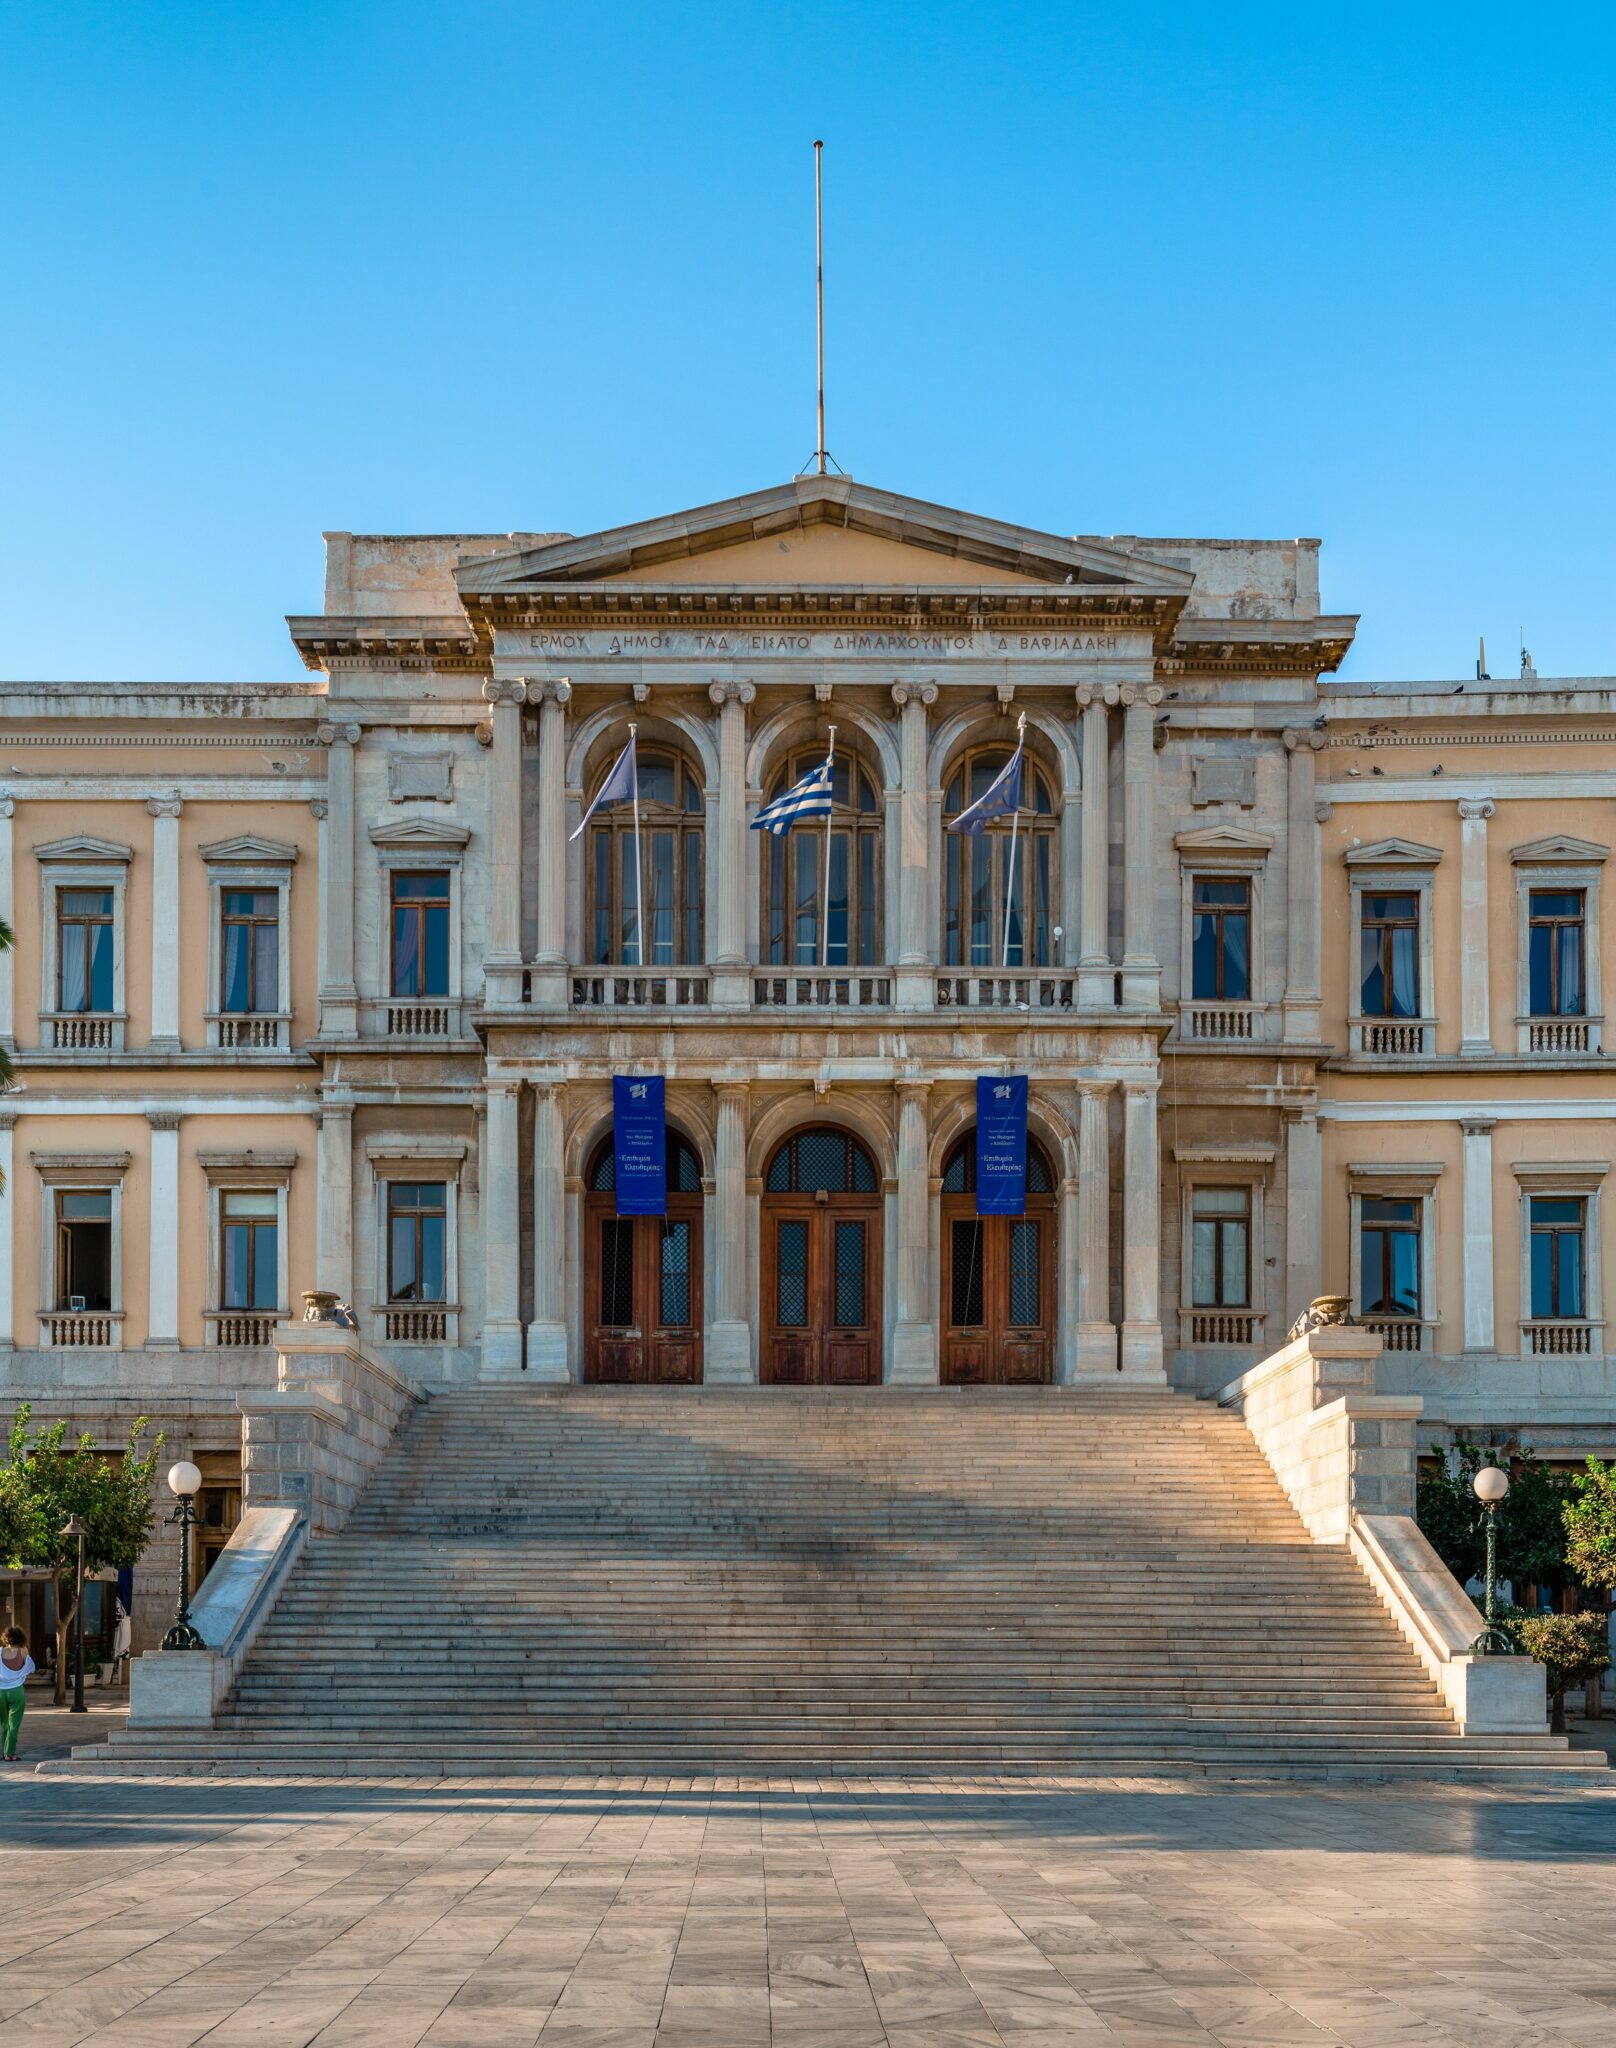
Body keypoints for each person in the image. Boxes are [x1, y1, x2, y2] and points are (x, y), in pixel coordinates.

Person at [0, 1627, 33, 1761]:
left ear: (6, 1637)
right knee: (14, 1723)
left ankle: (5, 1752)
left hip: (0, 1691)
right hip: (17, 1691)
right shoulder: (24, 1651)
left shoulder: (0, 1651)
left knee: (4, 1722)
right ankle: (10, 1753)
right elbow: (30, 1668)